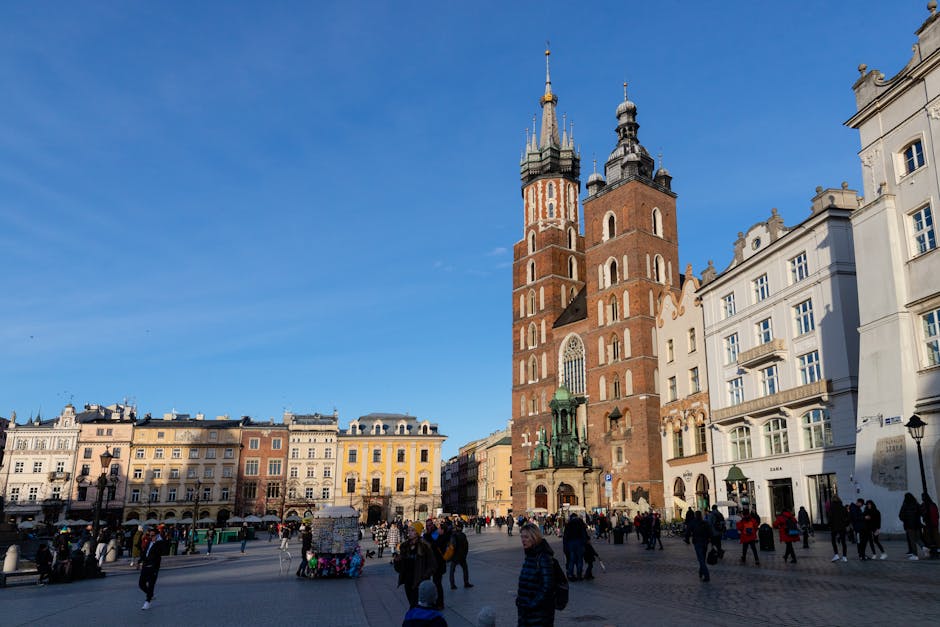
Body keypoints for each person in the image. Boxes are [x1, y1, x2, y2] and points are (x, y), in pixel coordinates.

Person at [516, 522, 556, 627]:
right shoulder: (530, 555)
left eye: (526, 537)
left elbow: (548, 587)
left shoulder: (543, 557)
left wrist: (532, 605)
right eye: (522, 537)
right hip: (527, 613)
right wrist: (520, 601)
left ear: (534, 537)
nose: (523, 540)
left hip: (539, 616)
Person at [394, 522, 437, 608]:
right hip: (408, 581)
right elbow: (399, 568)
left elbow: (433, 565)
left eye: (412, 530)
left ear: (417, 532)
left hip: (420, 581)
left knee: (415, 606)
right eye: (409, 530)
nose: (409, 532)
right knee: (412, 603)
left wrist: (424, 576)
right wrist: (397, 561)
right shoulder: (404, 546)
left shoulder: (425, 546)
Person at [139, 528, 167, 610]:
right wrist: (139, 561)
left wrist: (160, 541)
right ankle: (150, 595)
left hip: (153, 567)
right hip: (145, 565)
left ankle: (147, 602)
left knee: (151, 585)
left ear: (157, 535)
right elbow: (145, 553)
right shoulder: (149, 542)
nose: (151, 537)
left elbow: (165, 551)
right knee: (141, 584)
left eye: (153, 535)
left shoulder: (160, 543)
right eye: (150, 535)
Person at [562, 513, 588, 580]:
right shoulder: (580, 523)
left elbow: (565, 537)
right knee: (580, 559)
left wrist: (565, 546)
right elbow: (584, 534)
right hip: (579, 543)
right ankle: (579, 574)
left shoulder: (568, 524)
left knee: (572, 559)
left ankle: (570, 574)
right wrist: (584, 543)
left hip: (571, 543)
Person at [448, 522, 473, 589]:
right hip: (462, 556)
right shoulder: (463, 535)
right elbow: (466, 546)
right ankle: (466, 582)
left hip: (455, 556)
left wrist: (451, 556)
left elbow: (452, 546)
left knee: (452, 571)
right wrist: (465, 554)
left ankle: (452, 585)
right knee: (465, 569)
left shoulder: (454, 535)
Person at [690, 510, 711, 582]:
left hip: (698, 542)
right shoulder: (705, 523)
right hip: (705, 543)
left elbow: (688, 531)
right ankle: (701, 572)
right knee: (703, 558)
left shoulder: (693, 523)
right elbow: (709, 532)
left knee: (701, 559)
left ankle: (706, 575)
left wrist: (687, 539)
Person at [829, 495, 848, 562]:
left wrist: (830, 526)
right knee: (843, 542)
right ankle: (844, 556)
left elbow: (830, 518)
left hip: (834, 527)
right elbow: (847, 517)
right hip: (842, 527)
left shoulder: (831, 507)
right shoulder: (843, 507)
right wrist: (845, 524)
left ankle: (836, 555)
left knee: (833, 541)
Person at [922, 493, 940, 558]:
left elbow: (922, 513)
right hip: (934, 523)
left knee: (929, 536)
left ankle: (932, 548)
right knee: (935, 535)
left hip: (929, 524)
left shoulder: (924, 505)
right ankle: (937, 548)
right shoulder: (933, 504)